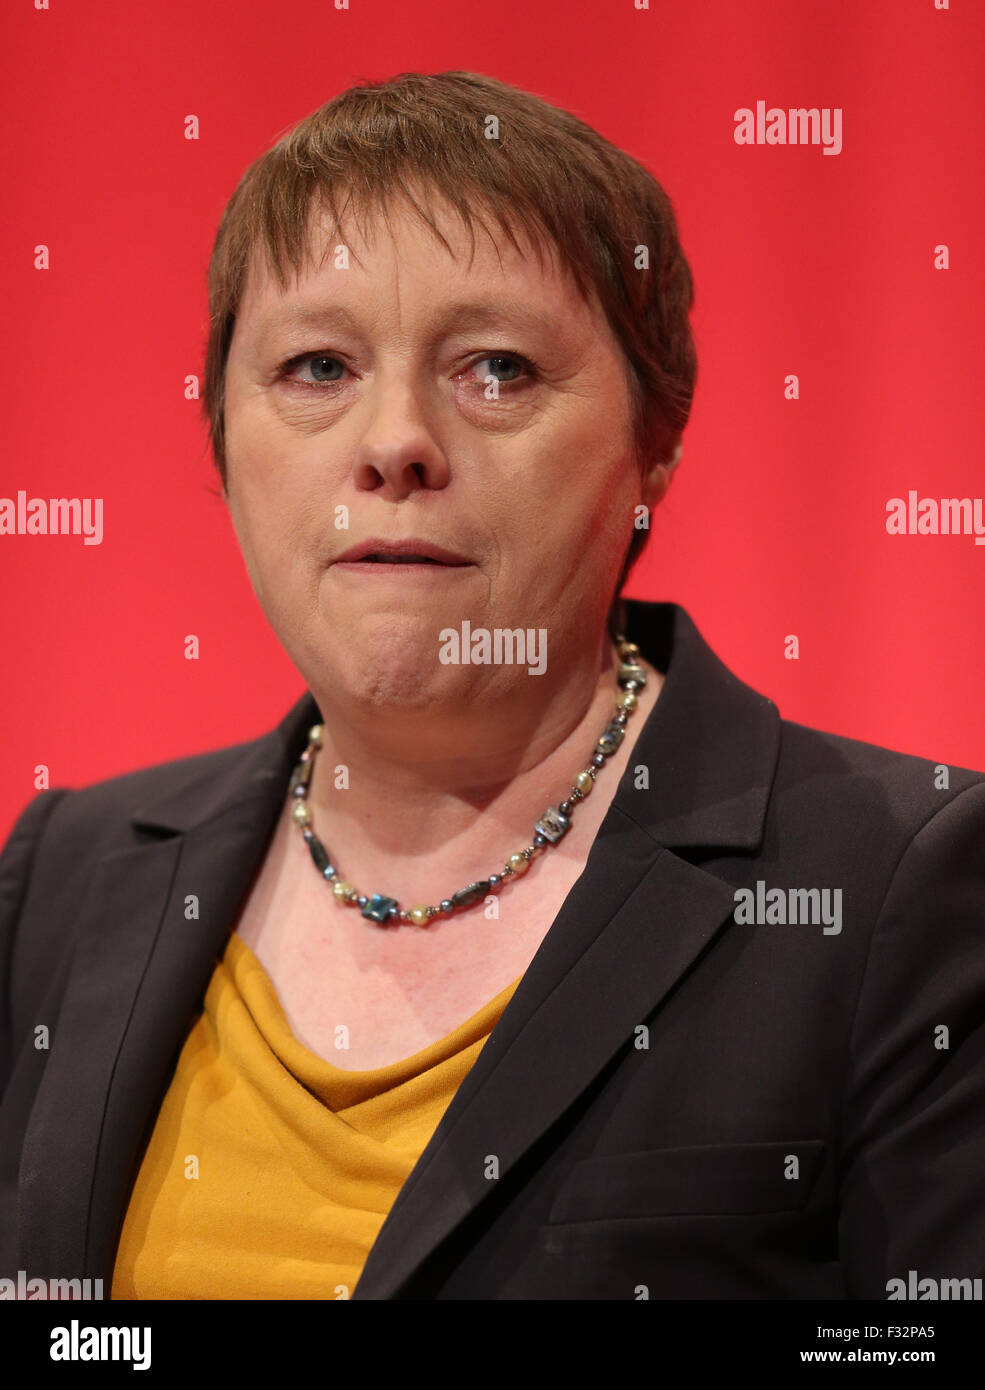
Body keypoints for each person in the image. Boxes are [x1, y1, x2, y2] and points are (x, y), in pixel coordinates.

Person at [2, 70, 984, 1302]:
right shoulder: (67, 874)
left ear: (656, 441)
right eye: (316, 366)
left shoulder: (907, 883)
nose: (395, 438)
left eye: (499, 370)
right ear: (221, 442)